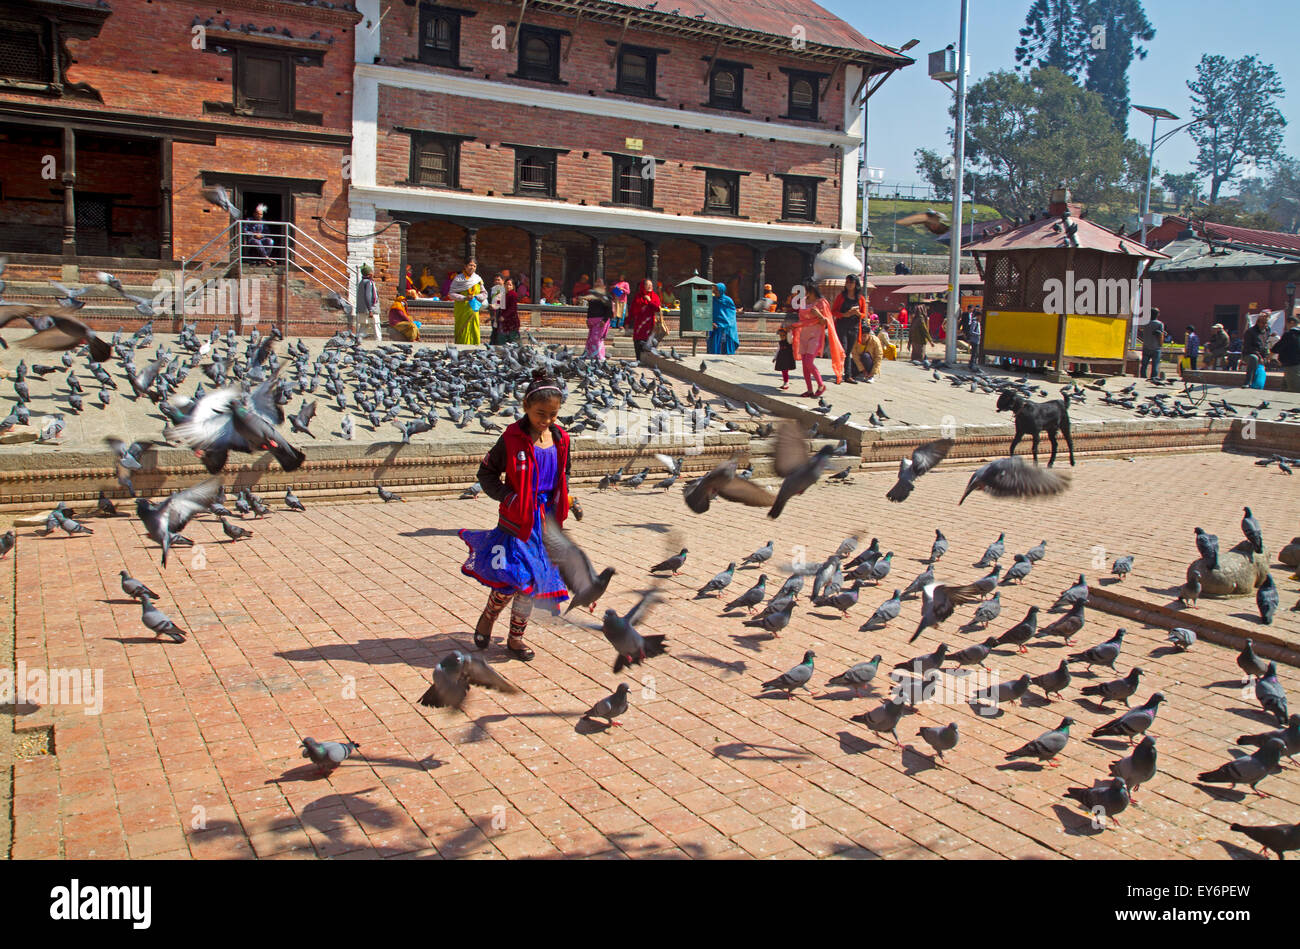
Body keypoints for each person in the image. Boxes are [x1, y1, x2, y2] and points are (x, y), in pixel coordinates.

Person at [460, 370, 574, 662]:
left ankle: (516, 638)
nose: (546, 420)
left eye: (553, 414)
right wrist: (508, 497)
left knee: (530, 584)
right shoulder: (511, 438)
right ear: (525, 406)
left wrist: (566, 499)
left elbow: (564, 473)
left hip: (546, 524)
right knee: (513, 580)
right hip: (518, 521)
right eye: (540, 414)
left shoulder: (561, 438)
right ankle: (489, 615)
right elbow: (486, 473)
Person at [791, 283, 843, 395]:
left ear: (811, 290)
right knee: (805, 364)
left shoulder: (822, 302)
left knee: (809, 362)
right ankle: (809, 389)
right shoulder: (803, 301)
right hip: (804, 334)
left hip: (816, 335)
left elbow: (826, 321)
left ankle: (821, 385)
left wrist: (818, 314)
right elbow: (801, 318)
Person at [832, 275, 867, 382]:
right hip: (842, 326)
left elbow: (864, 314)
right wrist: (844, 314)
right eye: (847, 282)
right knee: (843, 350)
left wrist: (857, 313)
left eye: (851, 282)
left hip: (854, 327)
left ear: (856, 284)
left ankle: (847, 375)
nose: (848, 284)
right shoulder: (841, 297)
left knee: (848, 351)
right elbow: (833, 311)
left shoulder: (861, 298)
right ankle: (839, 373)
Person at [448, 260, 487, 345]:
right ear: (465, 266)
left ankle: (474, 348)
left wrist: (475, 297)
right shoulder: (458, 278)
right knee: (462, 327)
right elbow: (451, 294)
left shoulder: (478, 279)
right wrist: (464, 298)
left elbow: (484, 294)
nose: (472, 267)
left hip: (473, 308)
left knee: (474, 327)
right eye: (470, 265)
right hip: (461, 308)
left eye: (474, 266)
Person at [629, 278, 661, 361]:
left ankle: (648, 361)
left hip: (649, 324)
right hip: (639, 325)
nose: (650, 286)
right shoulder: (638, 297)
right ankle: (639, 359)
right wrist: (627, 322)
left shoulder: (654, 296)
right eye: (648, 285)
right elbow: (632, 310)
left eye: (651, 285)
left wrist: (649, 301)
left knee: (649, 342)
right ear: (643, 286)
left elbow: (657, 308)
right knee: (638, 341)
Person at [584, 279, 612, 360]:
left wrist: (605, 320)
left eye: (599, 284)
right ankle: (590, 354)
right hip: (592, 320)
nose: (597, 285)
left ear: (604, 286)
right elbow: (590, 309)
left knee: (595, 339)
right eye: (596, 284)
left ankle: (597, 356)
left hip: (601, 321)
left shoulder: (606, 296)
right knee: (590, 339)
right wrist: (588, 319)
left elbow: (609, 309)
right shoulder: (593, 296)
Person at [707, 281, 738, 355]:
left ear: (722, 290)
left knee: (726, 350)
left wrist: (725, 324)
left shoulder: (728, 300)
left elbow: (731, 313)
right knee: (714, 349)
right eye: (714, 290)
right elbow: (707, 312)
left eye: (717, 290)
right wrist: (709, 322)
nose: (715, 292)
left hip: (726, 329)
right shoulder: (712, 300)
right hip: (715, 328)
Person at [1271, 313, 1300, 392]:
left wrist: (1270, 356)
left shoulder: (1289, 334)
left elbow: (1277, 348)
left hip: (1292, 365)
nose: (1286, 326)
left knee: (1294, 389)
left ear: (1291, 323)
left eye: (1286, 323)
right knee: (1285, 387)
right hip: (1295, 364)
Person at [1242, 311, 1271, 386]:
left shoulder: (1267, 330)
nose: (1264, 325)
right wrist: (1259, 356)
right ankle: (1248, 382)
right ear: (1258, 323)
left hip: (1262, 355)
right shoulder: (1250, 332)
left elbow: (1266, 344)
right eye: (1263, 323)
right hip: (1249, 354)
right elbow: (1248, 347)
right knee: (1253, 358)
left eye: (1266, 323)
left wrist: (1267, 355)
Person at [1140, 308, 1165, 380]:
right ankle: (1153, 379)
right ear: (1157, 315)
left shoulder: (1145, 323)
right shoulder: (1159, 324)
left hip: (1146, 346)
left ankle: (1142, 378)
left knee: (1144, 365)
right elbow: (1160, 335)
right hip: (1156, 348)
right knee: (1155, 366)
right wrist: (1161, 345)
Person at [497, 278, 521, 344]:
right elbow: (500, 306)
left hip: (512, 321)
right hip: (504, 322)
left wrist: (504, 316)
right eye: (507, 284)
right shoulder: (503, 294)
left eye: (510, 285)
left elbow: (512, 308)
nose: (508, 286)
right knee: (503, 341)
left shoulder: (513, 294)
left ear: (513, 286)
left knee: (513, 341)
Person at [773, 324, 796, 389]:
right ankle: (785, 382)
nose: (781, 337)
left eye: (783, 335)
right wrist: (775, 357)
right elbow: (778, 350)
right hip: (781, 357)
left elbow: (790, 338)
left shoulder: (789, 341)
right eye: (780, 335)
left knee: (785, 370)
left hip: (788, 358)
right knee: (783, 370)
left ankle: (786, 382)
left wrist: (789, 331)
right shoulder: (780, 342)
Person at [356, 264, 378, 329]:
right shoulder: (369, 282)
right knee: (376, 326)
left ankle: (359, 338)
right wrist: (370, 310)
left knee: (363, 326)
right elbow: (368, 296)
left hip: (363, 308)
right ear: (370, 274)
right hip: (371, 308)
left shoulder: (361, 282)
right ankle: (378, 339)